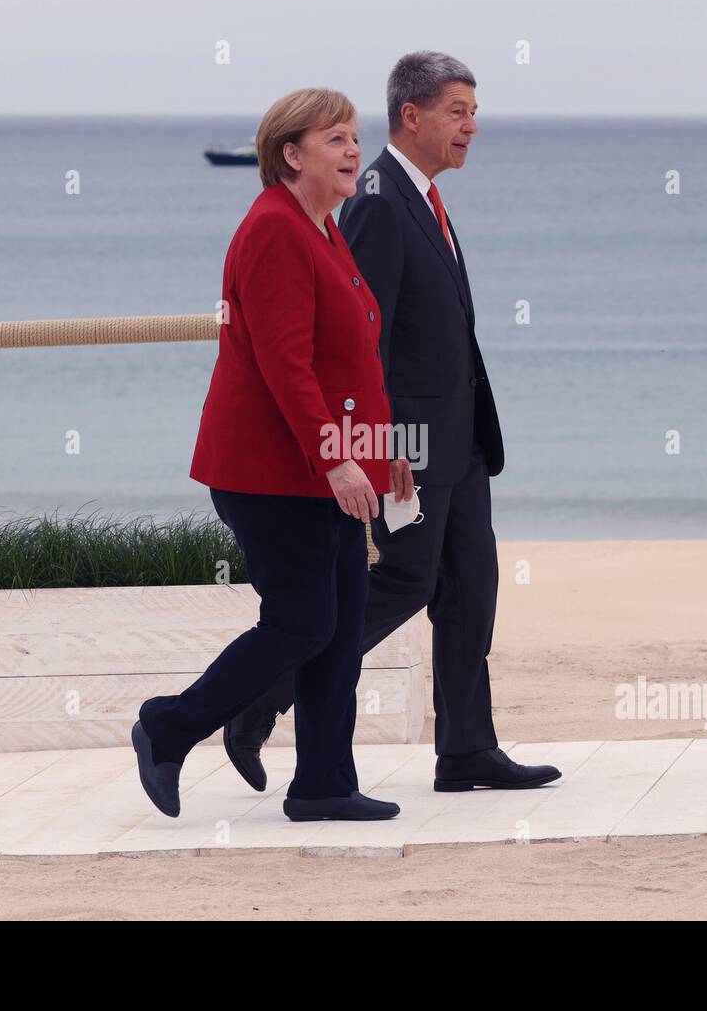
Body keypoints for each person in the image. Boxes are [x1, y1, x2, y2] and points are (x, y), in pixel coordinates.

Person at [224, 53, 561, 794]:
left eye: (474, 112)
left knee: (472, 585)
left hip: (462, 439)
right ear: (411, 116)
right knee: (406, 580)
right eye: (457, 112)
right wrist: (382, 443)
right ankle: (259, 698)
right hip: (410, 441)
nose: (472, 126)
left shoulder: (426, 197)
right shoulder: (377, 198)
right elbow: (357, 337)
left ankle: (468, 749)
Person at [133, 87, 402, 823]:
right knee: (304, 623)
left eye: (356, 138)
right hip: (274, 475)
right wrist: (336, 459)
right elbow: (289, 366)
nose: (354, 151)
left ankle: (322, 783)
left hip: (327, 472)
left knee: (339, 634)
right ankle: (169, 725)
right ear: (291, 154)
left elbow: (352, 364)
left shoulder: (322, 227)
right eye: (336, 139)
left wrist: (381, 454)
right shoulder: (274, 231)